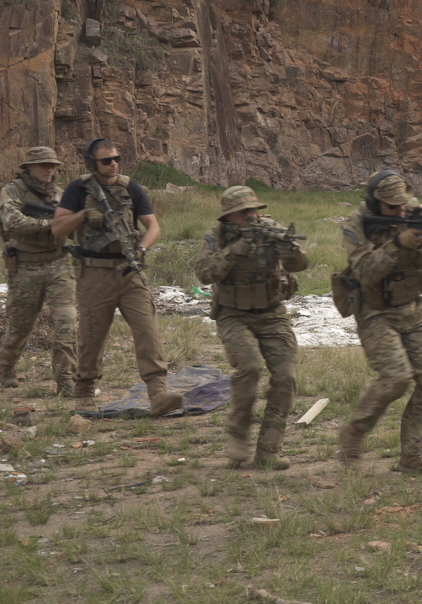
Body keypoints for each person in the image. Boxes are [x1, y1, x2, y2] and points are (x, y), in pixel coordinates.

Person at [337, 170, 422, 474]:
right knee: (396, 378)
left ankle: (413, 456)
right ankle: (353, 432)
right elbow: (365, 272)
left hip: (413, 308)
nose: (401, 210)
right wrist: (398, 244)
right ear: (375, 203)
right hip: (374, 310)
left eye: (403, 204)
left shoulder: (417, 214)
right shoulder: (356, 224)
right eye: (393, 207)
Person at [51, 138, 182, 416]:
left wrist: (142, 248)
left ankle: (158, 393)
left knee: (147, 330)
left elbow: (153, 226)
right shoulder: (78, 189)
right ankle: (85, 392)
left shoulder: (131, 188)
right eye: (106, 160)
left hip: (129, 271)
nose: (113, 164)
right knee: (92, 335)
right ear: (92, 163)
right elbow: (58, 228)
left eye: (116, 158)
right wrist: (85, 214)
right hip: (95, 273)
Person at [193, 186, 307, 469]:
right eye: (244, 212)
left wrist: (288, 250)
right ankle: (238, 433)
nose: (251, 216)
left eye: (254, 210)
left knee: (285, 376)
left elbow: (301, 263)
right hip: (234, 315)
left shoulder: (271, 230)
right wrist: (232, 253)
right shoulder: (217, 237)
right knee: (249, 368)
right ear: (229, 217)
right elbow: (204, 273)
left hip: (272, 314)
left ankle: (269, 449)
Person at [0, 147, 77, 393]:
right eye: (43, 165)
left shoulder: (61, 195)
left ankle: (65, 380)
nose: (49, 169)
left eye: (53, 165)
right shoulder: (12, 191)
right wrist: (51, 224)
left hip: (58, 263)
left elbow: (72, 229)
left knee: (67, 322)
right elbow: (13, 221)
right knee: (21, 326)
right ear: (28, 167)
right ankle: (7, 367)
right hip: (25, 265)